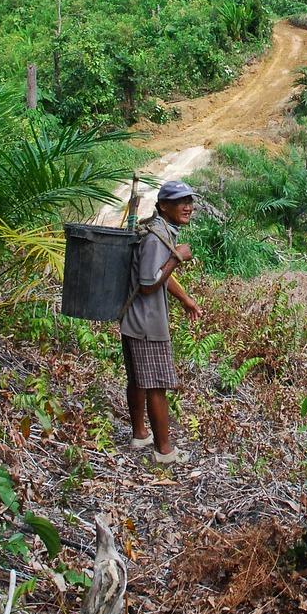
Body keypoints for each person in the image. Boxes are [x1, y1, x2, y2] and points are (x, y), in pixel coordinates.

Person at [120, 179, 202, 465]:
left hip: (134, 321)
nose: (187, 207)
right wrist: (177, 257)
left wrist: (185, 298)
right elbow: (148, 283)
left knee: (139, 380)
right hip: (147, 323)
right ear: (163, 206)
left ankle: (140, 434)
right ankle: (164, 451)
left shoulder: (157, 230)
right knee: (156, 385)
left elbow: (157, 276)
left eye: (189, 201)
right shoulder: (157, 237)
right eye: (180, 202)